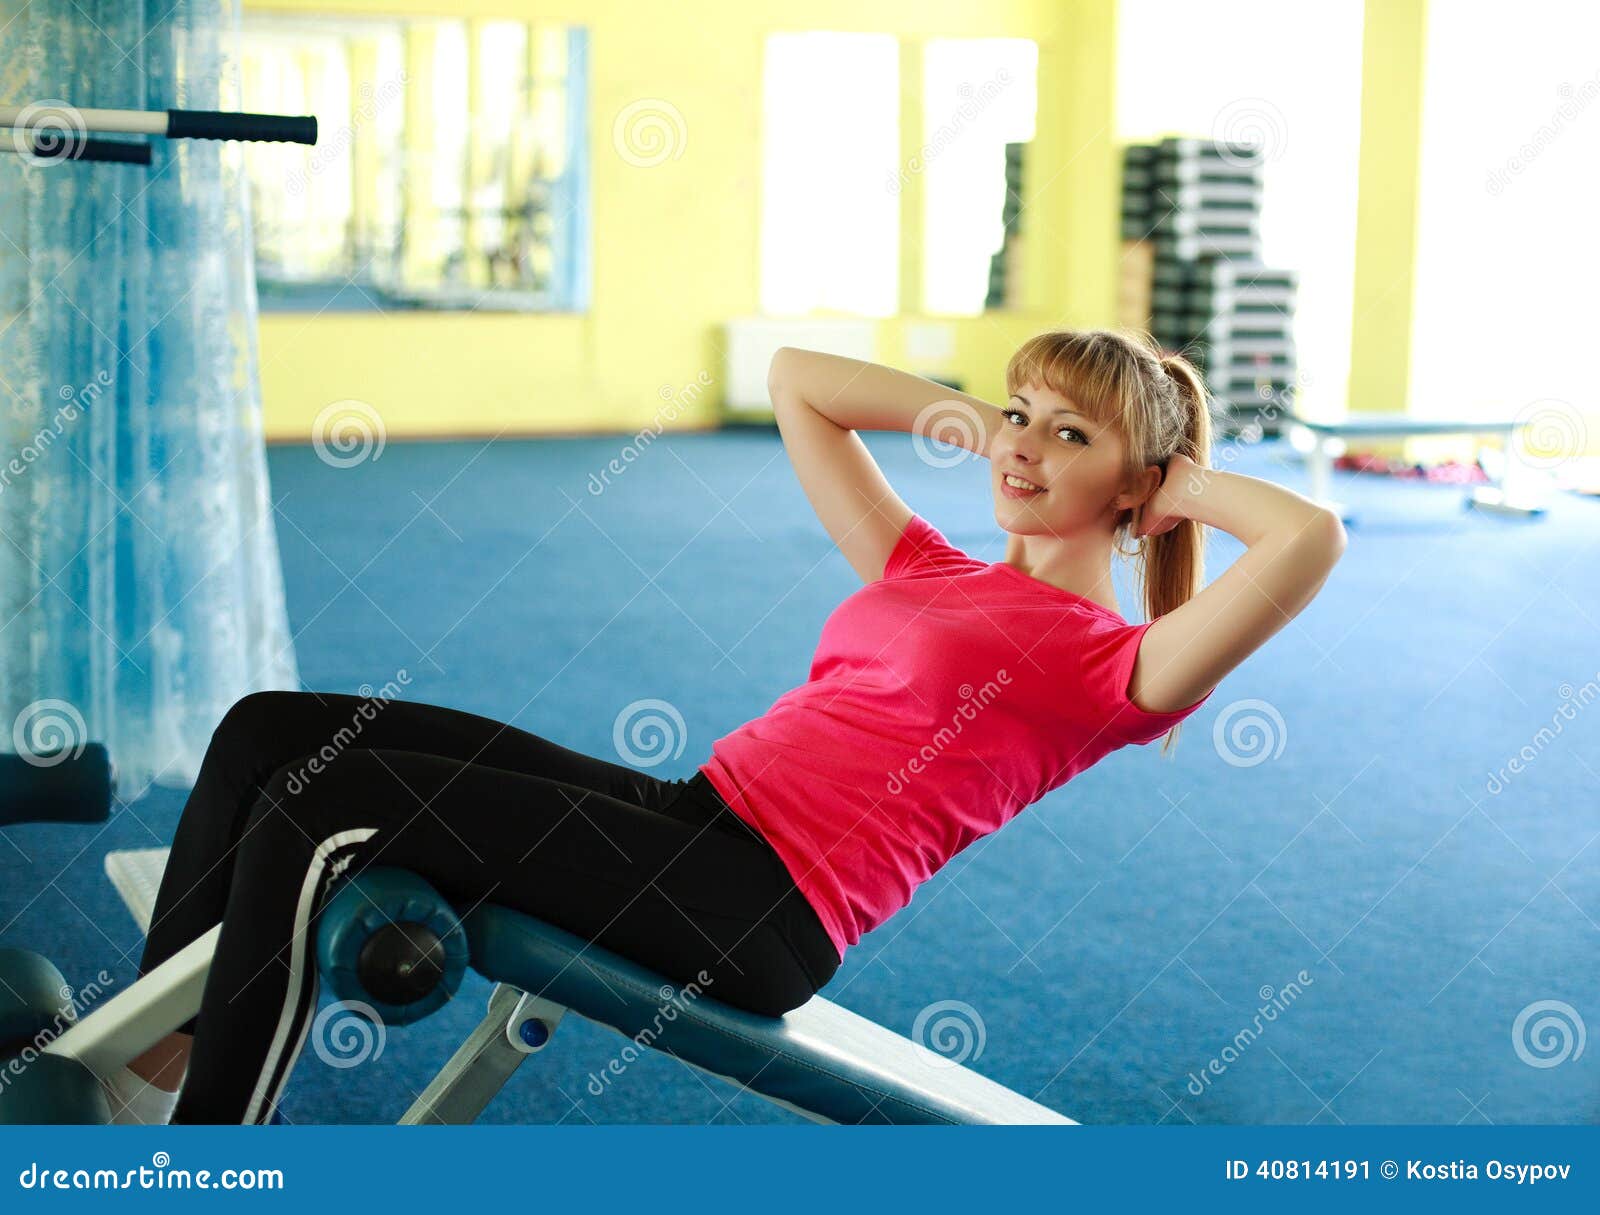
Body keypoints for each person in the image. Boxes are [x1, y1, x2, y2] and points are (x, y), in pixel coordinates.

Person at [109, 328, 1345, 1124]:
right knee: (275, 731)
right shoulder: (928, 566)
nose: (1023, 449)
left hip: (759, 904)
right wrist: (1000, 419)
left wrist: (1173, 481)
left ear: (1138, 485)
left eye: (1069, 436)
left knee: (329, 805)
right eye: (1021, 415)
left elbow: (1305, 537)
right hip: (691, 816)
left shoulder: (1118, 666)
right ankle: (148, 1061)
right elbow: (798, 380)